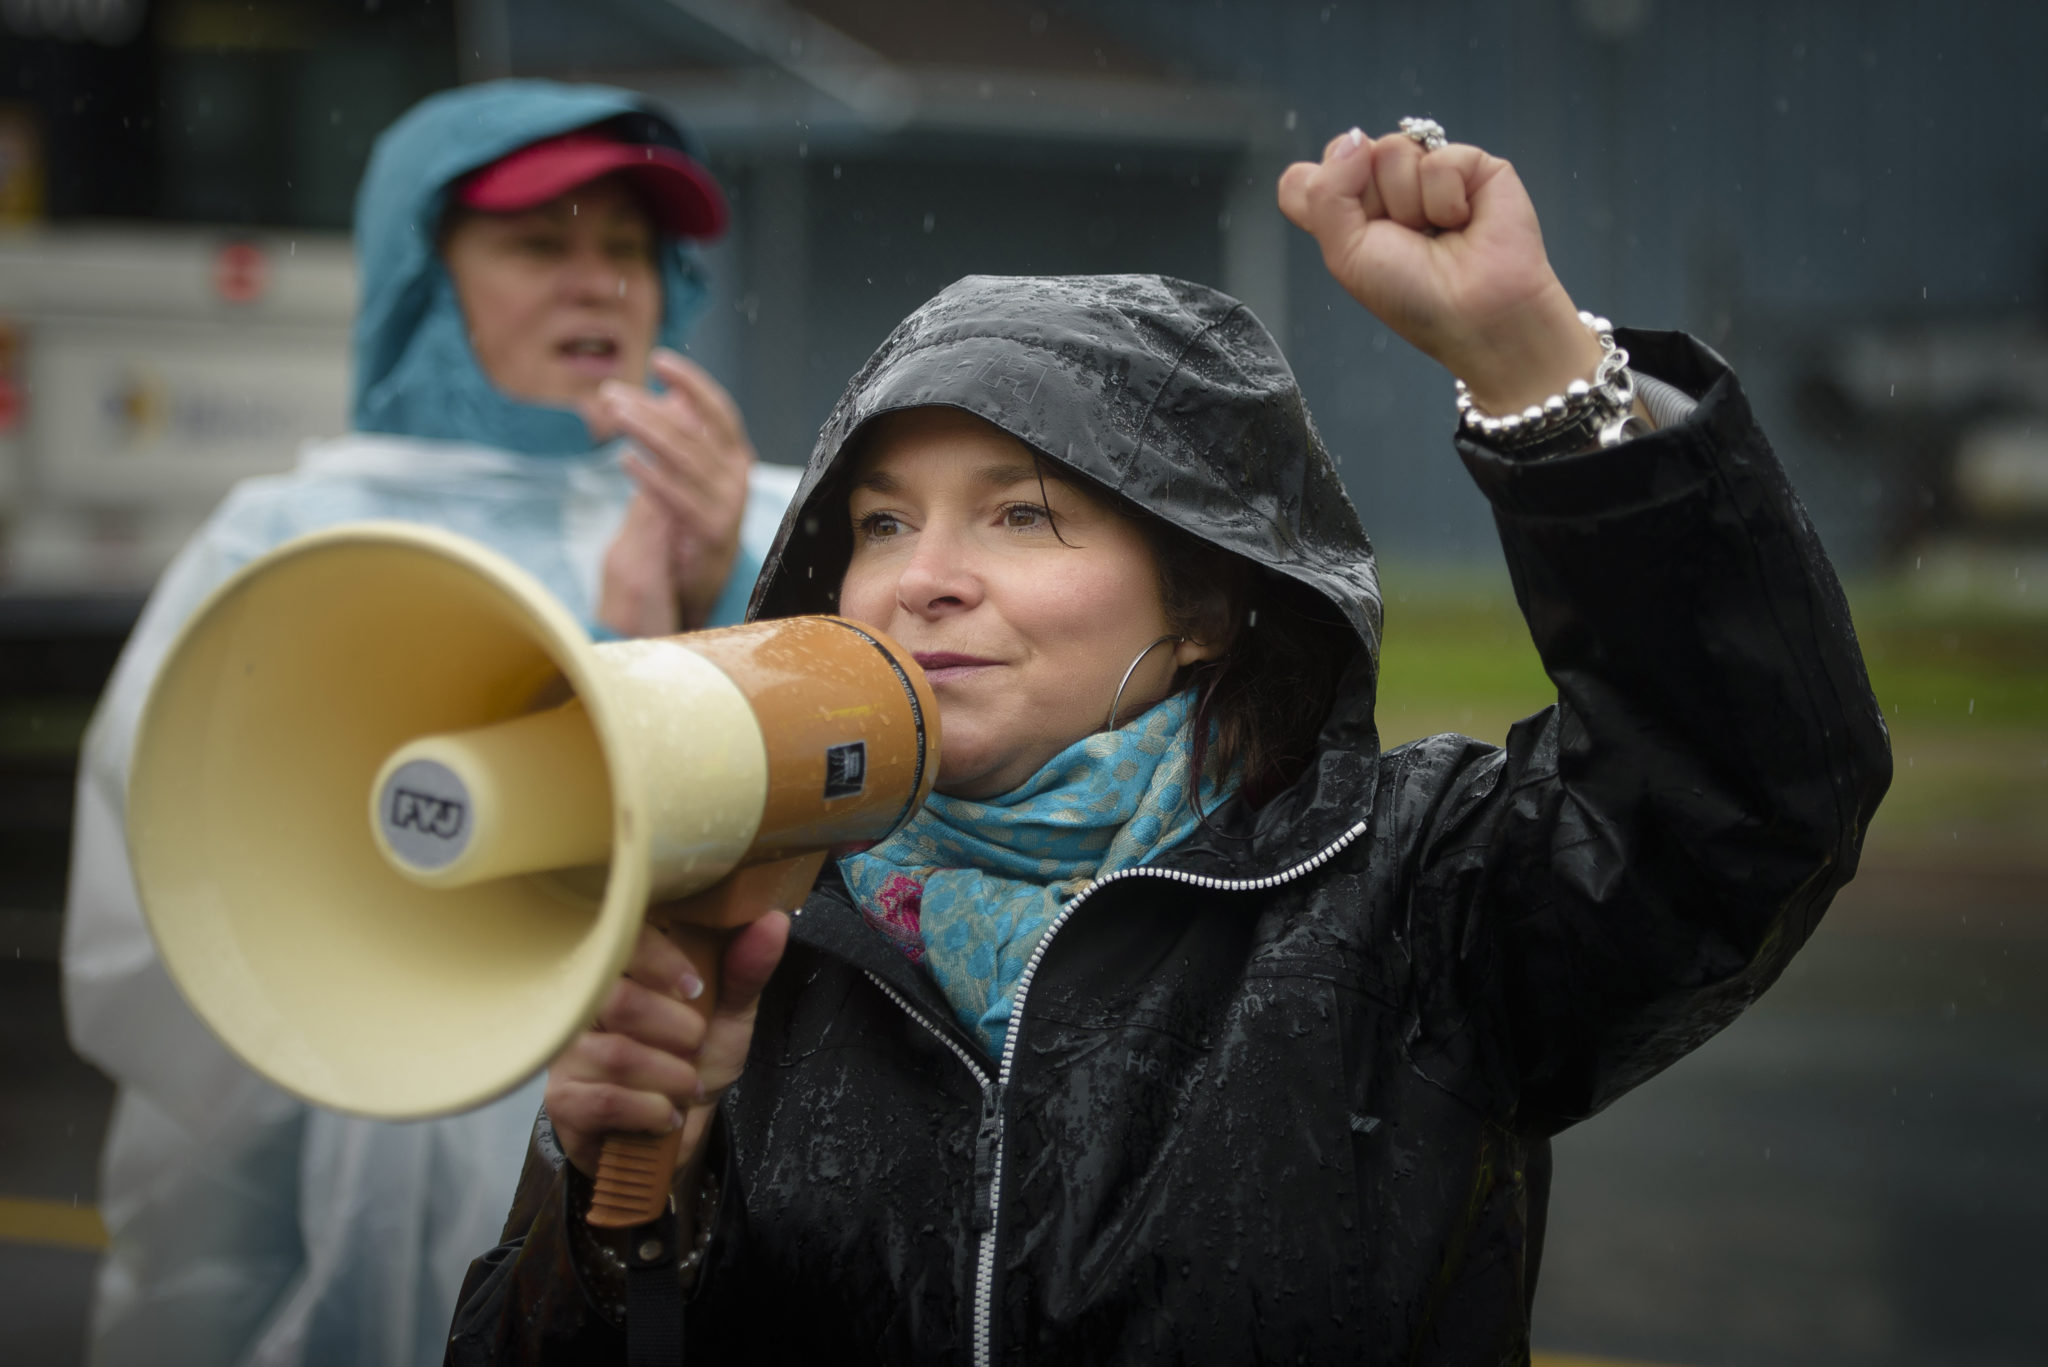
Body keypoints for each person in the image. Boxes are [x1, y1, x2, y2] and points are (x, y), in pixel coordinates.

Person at [449, 122, 1891, 1362]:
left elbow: (1745, 793)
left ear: (1207, 598)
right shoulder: (761, 927)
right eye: (882, 519)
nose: (919, 575)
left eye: (1021, 512)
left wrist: (1528, 358)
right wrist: (627, 1195)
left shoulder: (1411, 899)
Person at [63, 79, 800, 1366]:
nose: (598, 284)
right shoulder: (285, 543)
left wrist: (720, 599)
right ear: (423, 272)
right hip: (366, 1194)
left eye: (626, 248)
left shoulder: (789, 519)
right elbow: (184, 927)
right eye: (537, 243)